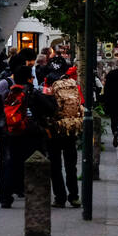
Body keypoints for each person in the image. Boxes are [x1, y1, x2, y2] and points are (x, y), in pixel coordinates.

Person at [0, 66, 56, 206]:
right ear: (29, 78)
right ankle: (36, 196)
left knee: (12, 163)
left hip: (14, 132)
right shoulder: (33, 92)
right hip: (32, 133)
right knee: (36, 163)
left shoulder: (11, 92)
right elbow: (50, 109)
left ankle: (5, 197)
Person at [47, 66, 83, 207]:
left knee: (55, 165)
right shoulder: (73, 85)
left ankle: (60, 197)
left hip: (55, 129)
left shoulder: (50, 82)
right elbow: (81, 105)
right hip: (71, 128)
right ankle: (74, 196)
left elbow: (48, 107)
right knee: (71, 165)